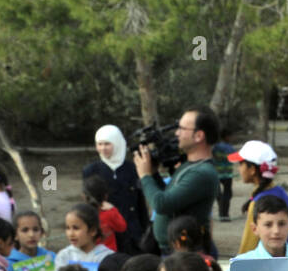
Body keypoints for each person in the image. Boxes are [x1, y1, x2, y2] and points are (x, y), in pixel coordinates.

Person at [136, 105, 221, 255]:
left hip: (184, 254)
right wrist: (154, 173)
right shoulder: (190, 166)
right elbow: (169, 196)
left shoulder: (202, 173)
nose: (177, 133)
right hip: (175, 251)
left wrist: (145, 175)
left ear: (199, 136)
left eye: (182, 129)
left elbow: (162, 204)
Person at [83, 125, 146, 254]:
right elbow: (88, 203)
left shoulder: (133, 167)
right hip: (106, 236)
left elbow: (140, 201)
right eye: (99, 144)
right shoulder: (91, 170)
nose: (103, 148)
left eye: (107, 144)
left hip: (133, 233)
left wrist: (144, 229)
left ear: (117, 143)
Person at [228, 140, 288, 255]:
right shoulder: (281, 193)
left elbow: (249, 244)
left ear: (251, 170)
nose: (239, 169)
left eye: (241, 164)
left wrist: (240, 265)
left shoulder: (257, 203)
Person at [82, 174, 127, 252]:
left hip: (87, 255)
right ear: (105, 196)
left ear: (84, 196)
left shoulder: (80, 214)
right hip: (107, 255)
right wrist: (113, 209)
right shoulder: (109, 214)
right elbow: (122, 227)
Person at [212, 136, 236, 221]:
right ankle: (225, 214)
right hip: (227, 174)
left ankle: (221, 213)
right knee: (227, 194)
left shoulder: (214, 147)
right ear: (227, 137)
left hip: (216, 174)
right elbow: (234, 158)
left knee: (218, 195)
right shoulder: (229, 148)